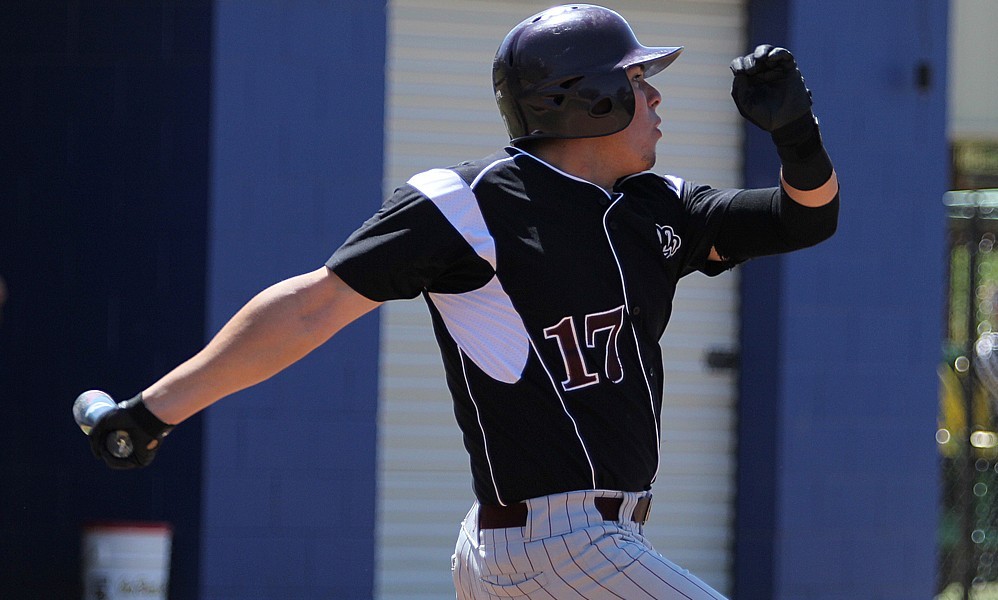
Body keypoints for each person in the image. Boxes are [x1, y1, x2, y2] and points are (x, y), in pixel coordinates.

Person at [86, 4, 838, 599]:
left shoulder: (656, 206)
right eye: (637, 81)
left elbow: (805, 217)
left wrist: (798, 136)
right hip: (556, 546)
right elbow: (310, 307)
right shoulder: (470, 205)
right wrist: (155, 411)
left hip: (570, 548)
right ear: (591, 100)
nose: (655, 95)